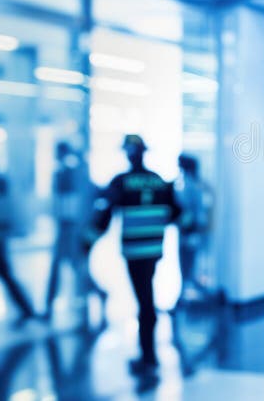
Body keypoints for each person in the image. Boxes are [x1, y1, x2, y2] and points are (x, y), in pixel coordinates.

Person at [87, 135, 181, 380]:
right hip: (154, 250)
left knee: (145, 302)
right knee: (146, 297)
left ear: (129, 154)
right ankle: (148, 354)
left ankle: (149, 356)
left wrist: (87, 241)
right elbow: (175, 214)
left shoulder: (121, 182)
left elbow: (104, 217)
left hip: (135, 251)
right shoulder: (159, 181)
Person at [44, 142, 105, 325]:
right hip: (65, 228)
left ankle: (99, 293)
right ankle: (48, 306)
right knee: (62, 267)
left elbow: (83, 199)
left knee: (76, 266)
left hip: (74, 229)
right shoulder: (62, 174)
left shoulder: (75, 174)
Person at [0, 152, 36, 324]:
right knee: (2, 272)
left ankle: (27, 308)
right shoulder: (0, 182)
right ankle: (26, 308)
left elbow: (7, 206)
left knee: (1, 271)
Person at [175, 154, 212, 302]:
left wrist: (193, 228)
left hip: (191, 231)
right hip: (188, 230)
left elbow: (194, 210)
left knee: (188, 262)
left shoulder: (191, 185)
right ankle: (184, 292)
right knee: (187, 261)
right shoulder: (190, 183)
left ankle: (185, 295)